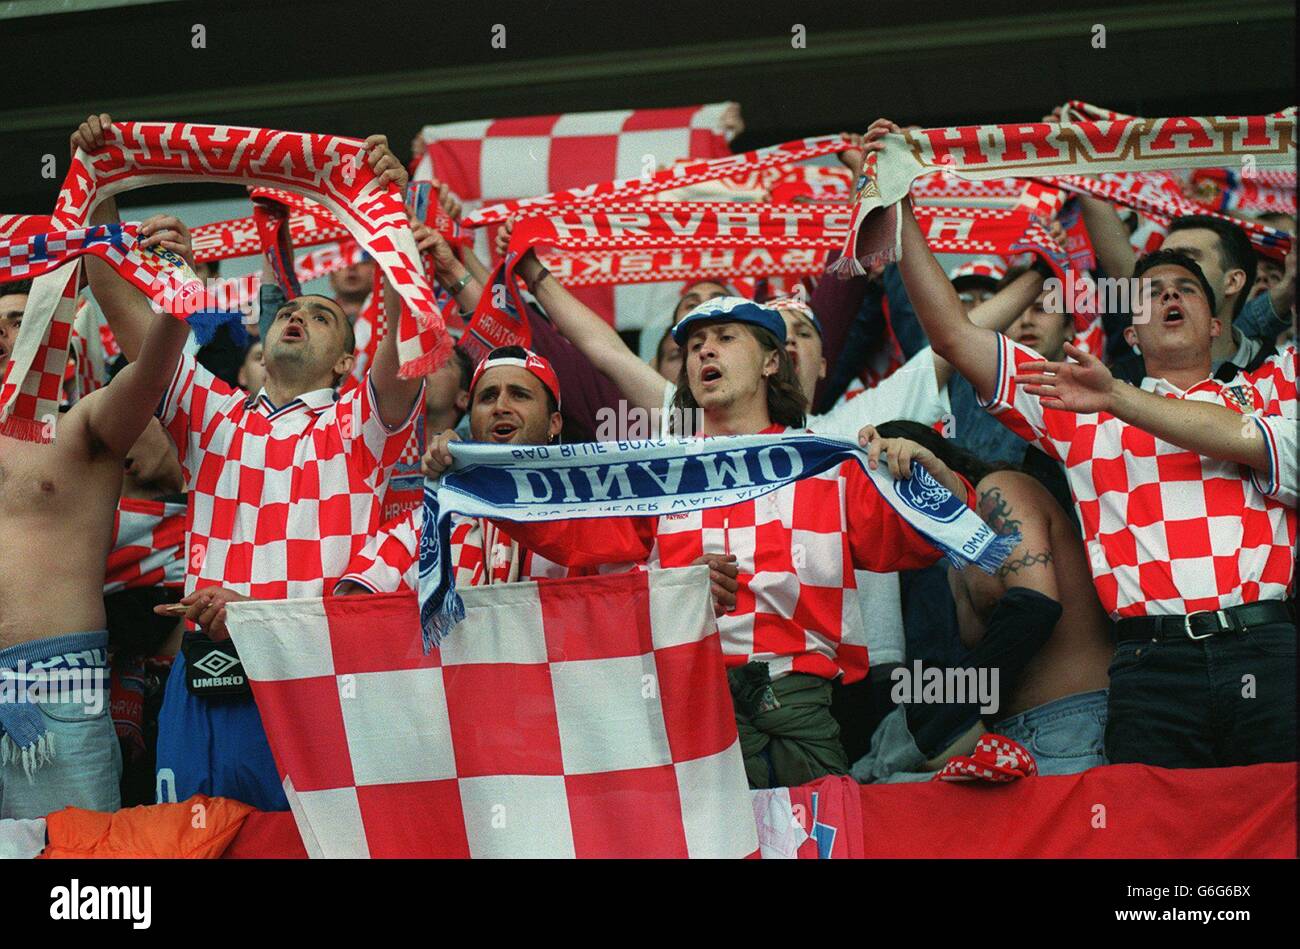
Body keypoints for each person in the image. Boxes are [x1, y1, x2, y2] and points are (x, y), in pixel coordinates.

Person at [871, 111, 1297, 767]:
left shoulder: (1276, 386)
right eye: (1151, 291)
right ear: (1130, 331)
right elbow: (955, 336)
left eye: (1187, 287)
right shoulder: (1079, 405)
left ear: (1219, 325)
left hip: (1268, 651)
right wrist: (897, 201)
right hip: (1151, 668)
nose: (1170, 295)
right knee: (1155, 843)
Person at [427, 297, 979, 788]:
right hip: (687, 703)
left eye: (724, 337)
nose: (704, 351)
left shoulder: (828, 461)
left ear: (770, 360)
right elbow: (571, 531)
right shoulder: (656, 472)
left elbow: (918, 542)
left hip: (800, 708)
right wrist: (472, 477)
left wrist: (933, 474)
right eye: (694, 345)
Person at [73, 113, 426, 809]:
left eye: (322, 316)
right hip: (203, 690)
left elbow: (410, 333)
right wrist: (100, 178)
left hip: (317, 692)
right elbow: (115, 293)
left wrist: (394, 210)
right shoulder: (211, 412)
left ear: (349, 358)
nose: (297, 317)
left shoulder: (364, 420)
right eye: (288, 310)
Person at [339, 347, 740, 618]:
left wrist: (688, 584)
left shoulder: (591, 508)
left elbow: (637, 596)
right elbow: (355, 602)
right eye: (487, 397)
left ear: (554, 424)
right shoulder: (432, 521)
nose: (501, 406)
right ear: (472, 417)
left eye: (519, 395)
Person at [0, 262, 190, 819]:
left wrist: (172, 281)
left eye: (21, 322)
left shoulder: (83, 426)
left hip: (60, 693)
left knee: (82, 887)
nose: (6, 338)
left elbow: (156, 371)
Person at [852, 421, 1113, 781]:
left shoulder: (998, 493)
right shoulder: (952, 564)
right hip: (1010, 736)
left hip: (1071, 725)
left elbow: (1034, 607)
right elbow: (996, 671)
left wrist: (943, 708)